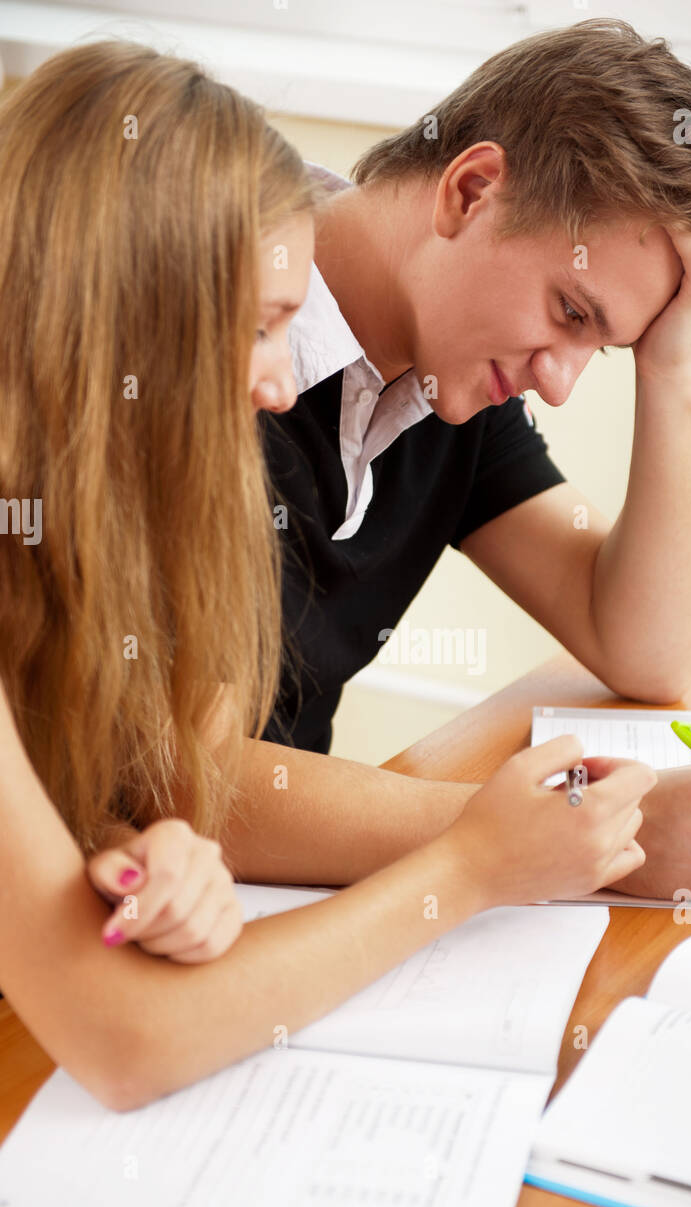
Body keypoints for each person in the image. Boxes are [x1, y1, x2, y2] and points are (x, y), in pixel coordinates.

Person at [0, 41, 654, 1111]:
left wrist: (130, 855)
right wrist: (468, 867)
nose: (277, 384)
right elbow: (128, 1046)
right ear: (118, 315)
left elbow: (66, 799)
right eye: (261, 328)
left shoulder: (73, 534)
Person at [237, 18, 691, 901]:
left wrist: (670, 368)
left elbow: (643, 650)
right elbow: (171, 781)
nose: (560, 383)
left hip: (248, 901)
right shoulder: (228, 331)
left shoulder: (441, 384)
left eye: (601, 347)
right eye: (572, 312)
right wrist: (585, 834)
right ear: (470, 191)